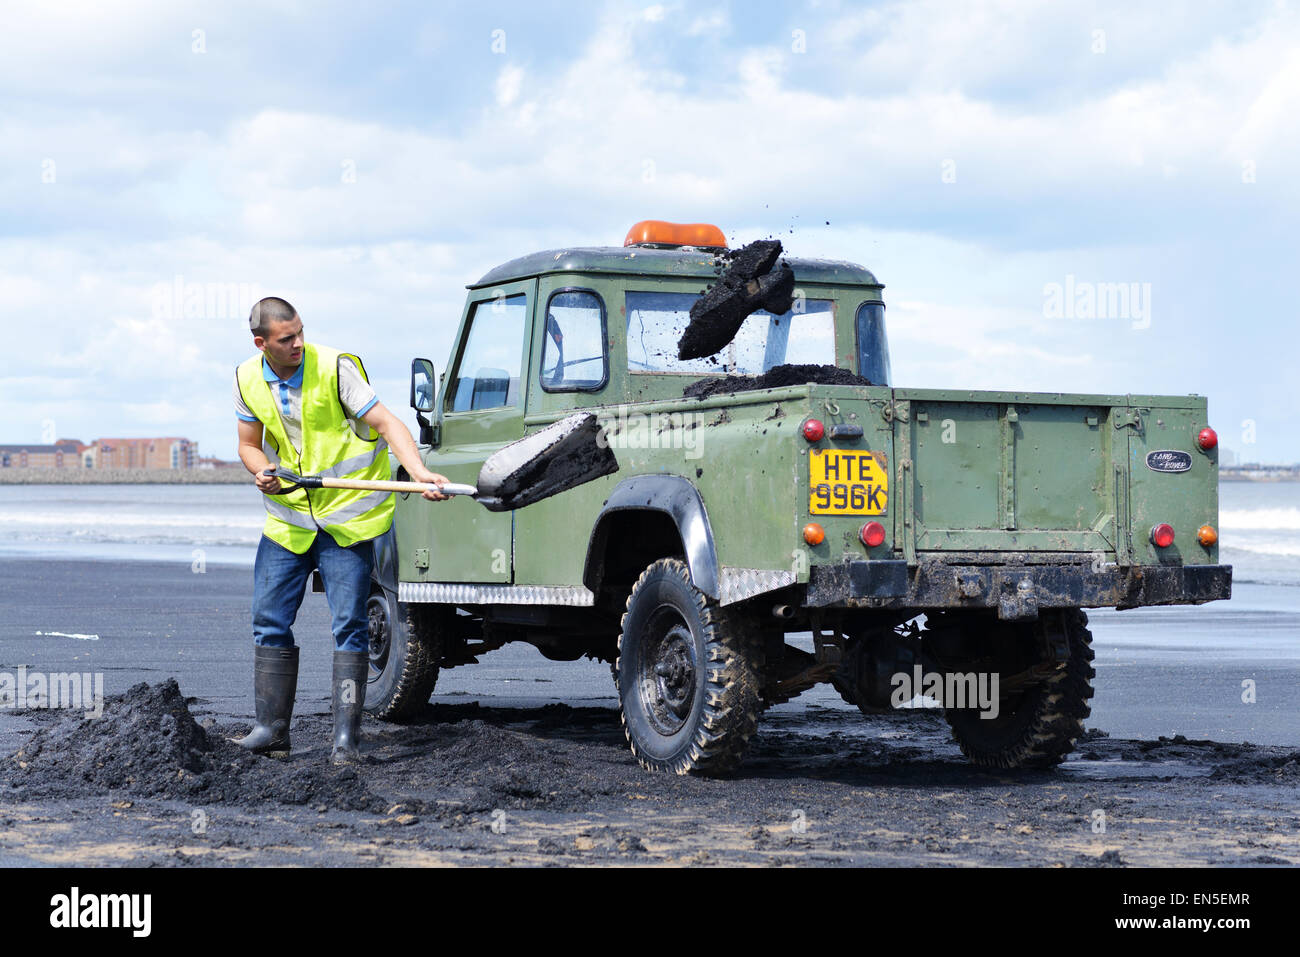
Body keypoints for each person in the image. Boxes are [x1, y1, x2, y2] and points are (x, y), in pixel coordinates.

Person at [230, 296, 449, 763]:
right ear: (261, 342)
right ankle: (271, 730)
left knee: (349, 626)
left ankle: (346, 741)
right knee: (268, 621)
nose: (298, 343)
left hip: (345, 521)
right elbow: (248, 445)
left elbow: (388, 423)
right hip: (288, 520)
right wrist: (261, 468)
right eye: (287, 338)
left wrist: (419, 472)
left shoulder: (334, 369)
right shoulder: (247, 378)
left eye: (301, 332)